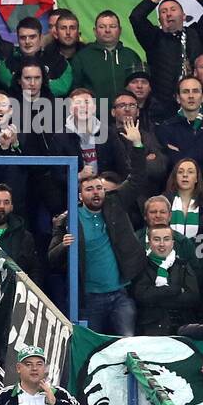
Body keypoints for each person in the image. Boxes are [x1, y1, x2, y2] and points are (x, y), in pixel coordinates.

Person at [50, 131, 149, 335]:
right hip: (88, 298)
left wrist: (138, 145)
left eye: (99, 188)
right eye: (89, 189)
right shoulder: (67, 220)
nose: (96, 192)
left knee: (128, 341)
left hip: (120, 294)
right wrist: (64, 246)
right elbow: (51, 258)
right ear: (79, 195)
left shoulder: (116, 202)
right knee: (90, 348)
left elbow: (137, 178)